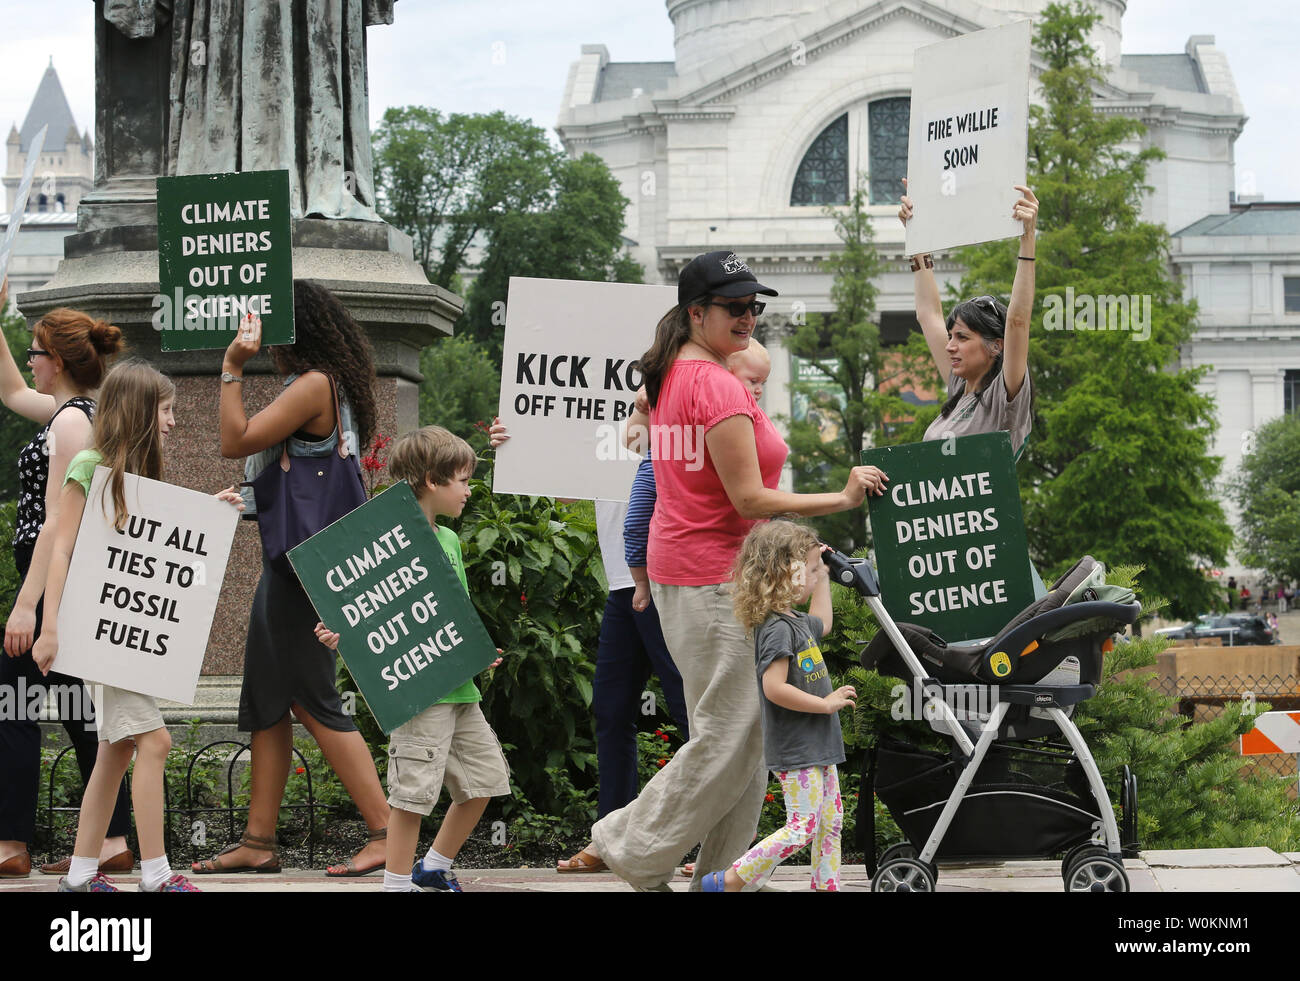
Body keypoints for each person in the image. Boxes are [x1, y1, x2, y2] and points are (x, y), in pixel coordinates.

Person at [563, 249, 886, 890]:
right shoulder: (712, 383)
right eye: (735, 308)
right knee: (728, 737)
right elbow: (748, 499)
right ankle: (627, 842)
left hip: (706, 575)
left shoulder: (680, 373)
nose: (749, 318)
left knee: (749, 742)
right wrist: (843, 499)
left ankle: (725, 877)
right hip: (714, 577)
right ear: (696, 312)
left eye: (754, 307)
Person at [194, 281, 389, 876]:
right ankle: (258, 841)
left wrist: (231, 366)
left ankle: (385, 830)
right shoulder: (329, 383)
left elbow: (234, 441)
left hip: (305, 566)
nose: (264, 336)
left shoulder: (312, 385)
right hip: (297, 562)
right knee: (267, 700)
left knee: (310, 698)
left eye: (272, 324)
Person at [30, 359, 244, 891]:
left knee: (115, 749)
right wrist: (50, 625)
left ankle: (80, 876)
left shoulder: (131, 474)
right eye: (166, 410)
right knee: (156, 742)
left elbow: (147, 538)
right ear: (141, 411)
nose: (173, 421)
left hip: (114, 636)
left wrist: (208, 515)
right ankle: (157, 874)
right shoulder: (88, 465)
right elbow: (61, 548)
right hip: (98, 634)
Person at [315, 426, 510, 892]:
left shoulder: (450, 542)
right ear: (430, 479)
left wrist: (478, 652)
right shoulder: (383, 543)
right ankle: (396, 884)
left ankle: (434, 866)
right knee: (412, 796)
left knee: (485, 781)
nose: (468, 489)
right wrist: (339, 635)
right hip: (418, 691)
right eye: (461, 480)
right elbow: (363, 605)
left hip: (460, 687)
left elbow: (453, 610)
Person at [487, 421, 690, 853]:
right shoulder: (599, 423)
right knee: (612, 712)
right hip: (624, 584)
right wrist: (517, 444)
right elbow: (566, 493)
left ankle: (716, 840)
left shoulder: (675, 414)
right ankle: (613, 840)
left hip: (669, 581)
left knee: (691, 711)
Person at [0, 279, 132, 880]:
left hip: (54, 573)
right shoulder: (74, 412)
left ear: (58, 361)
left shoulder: (73, 424)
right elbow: (10, 390)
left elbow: (59, 523)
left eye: (35, 351)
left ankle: (10, 842)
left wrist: (32, 608)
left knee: (12, 700)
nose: (30, 360)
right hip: (60, 574)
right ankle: (113, 839)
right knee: (80, 708)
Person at [702, 520, 853, 892]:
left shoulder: (796, 621)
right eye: (811, 570)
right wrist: (825, 704)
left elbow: (823, 622)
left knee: (831, 821)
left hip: (817, 743)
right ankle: (731, 879)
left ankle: (826, 886)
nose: (816, 576)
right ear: (787, 571)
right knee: (802, 827)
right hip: (797, 744)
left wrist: (826, 575)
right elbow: (773, 688)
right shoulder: (777, 628)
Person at [899, 180, 1038, 454]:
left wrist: (1028, 237)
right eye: (951, 336)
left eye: (962, 337)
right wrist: (917, 236)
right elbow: (928, 314)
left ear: (997, 345)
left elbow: (1017, 321)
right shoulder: (959, 387)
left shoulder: (1004, 397)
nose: (950, 345)